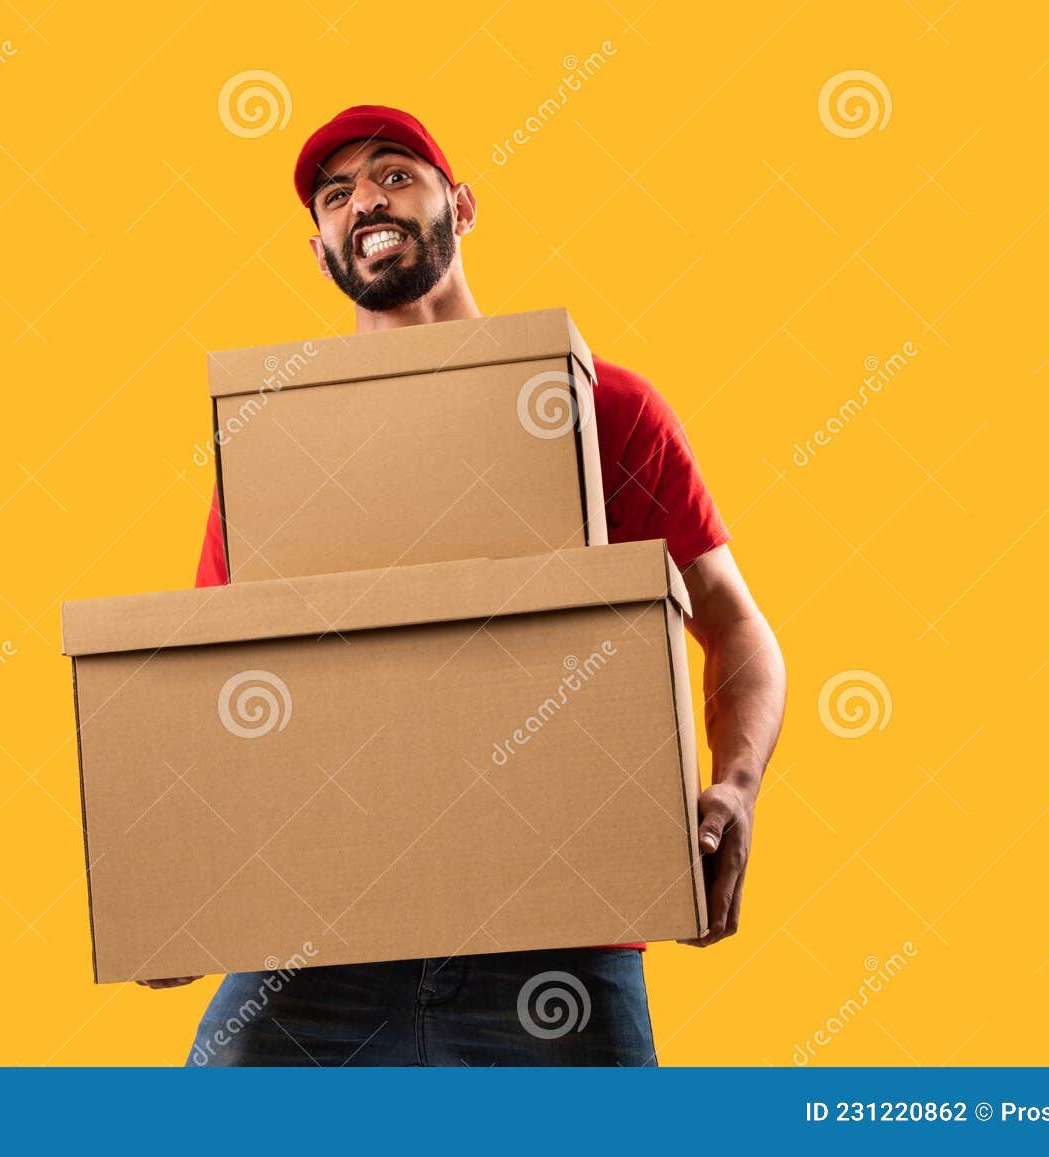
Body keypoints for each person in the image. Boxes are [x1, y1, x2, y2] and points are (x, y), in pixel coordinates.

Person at [149, 105, 786, 1066]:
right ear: (320, 245)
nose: (365, 197)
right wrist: (183, 886)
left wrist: (735, 786)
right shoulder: (275, 446)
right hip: (315, 949)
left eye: (395, 173)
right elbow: (214, 693)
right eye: (337, 193)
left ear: (462, 205)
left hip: (560, 943)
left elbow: (740, 630)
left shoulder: (599, 404)